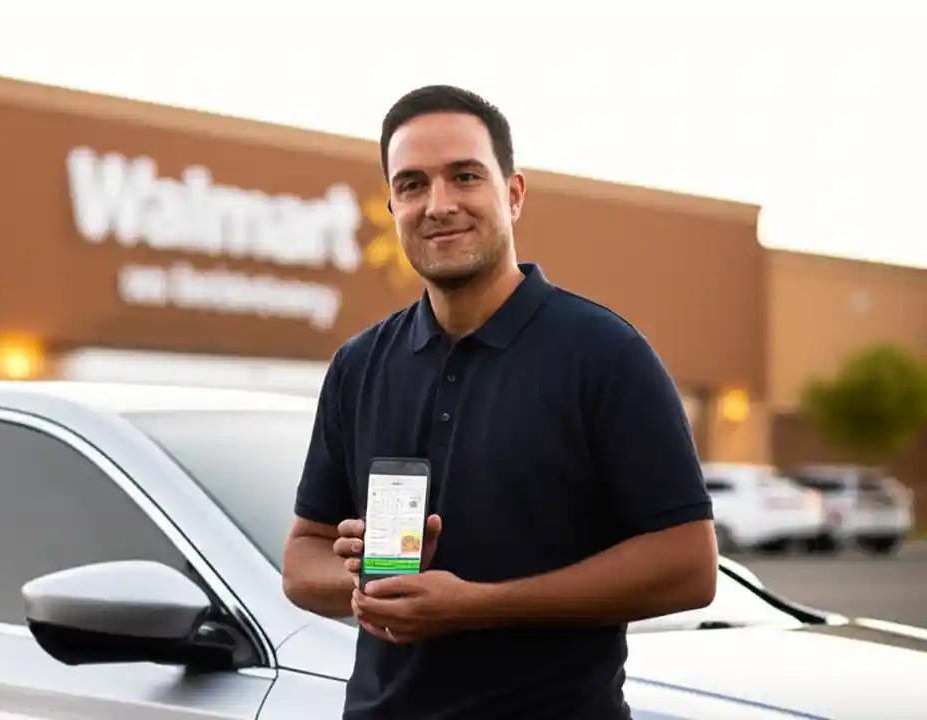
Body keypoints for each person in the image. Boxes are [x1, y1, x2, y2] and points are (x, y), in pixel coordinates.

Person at [281, 84, 719, 719]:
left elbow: (688, 566)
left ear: (513, 194)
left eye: (464, 176)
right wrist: (365, 588)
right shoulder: (359, 365)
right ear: (392, 206)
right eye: (411, 185)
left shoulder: (604, 353)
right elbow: (301, 559)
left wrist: (476, 605)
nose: (438, 205)